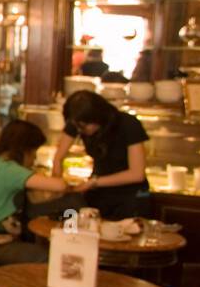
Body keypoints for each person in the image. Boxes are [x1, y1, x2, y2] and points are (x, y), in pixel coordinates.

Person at [0, 120, 82, 264]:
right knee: (51, 255)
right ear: (23, 149)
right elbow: (60, 185)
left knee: (67, 203)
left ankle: (69, 240)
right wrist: (56, 163)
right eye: (34, 152)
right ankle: (73, 243)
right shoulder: (9, 170)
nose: (35, 158)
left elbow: (36, 198)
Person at [52, 90, 152, 220]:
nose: (79, 131)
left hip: (130, 197)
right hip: (99, 194)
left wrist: (93, 182)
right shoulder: (78, 123)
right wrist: (57, 181)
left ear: (97, 117)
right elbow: (58, 158)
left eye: (83, 126)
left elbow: (137, 174)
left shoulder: (127, 124)